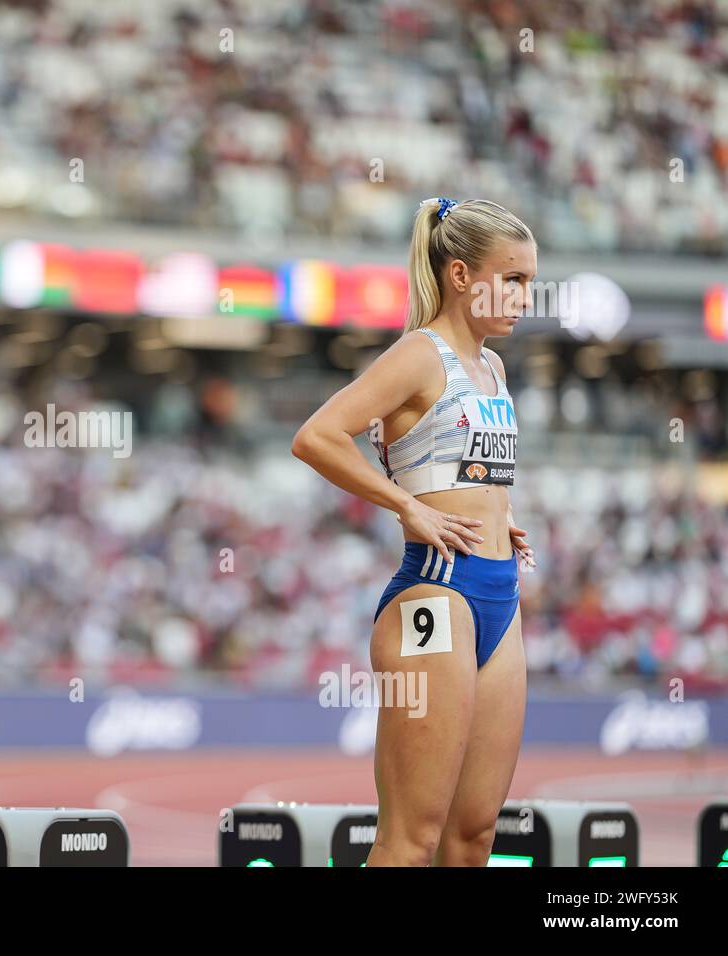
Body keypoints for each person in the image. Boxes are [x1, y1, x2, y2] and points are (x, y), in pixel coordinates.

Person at [292, 197, 538, 866]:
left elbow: (471, 466)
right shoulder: (420, 355)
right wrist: (406, 505)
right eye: (512, 280)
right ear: (461, 276)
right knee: (413, 837)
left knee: (474, 836)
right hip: (438, 593)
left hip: (499, 593)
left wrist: (503, 518)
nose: (525, 297)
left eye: (530, 282)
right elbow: (316, 437)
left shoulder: (493, 367)